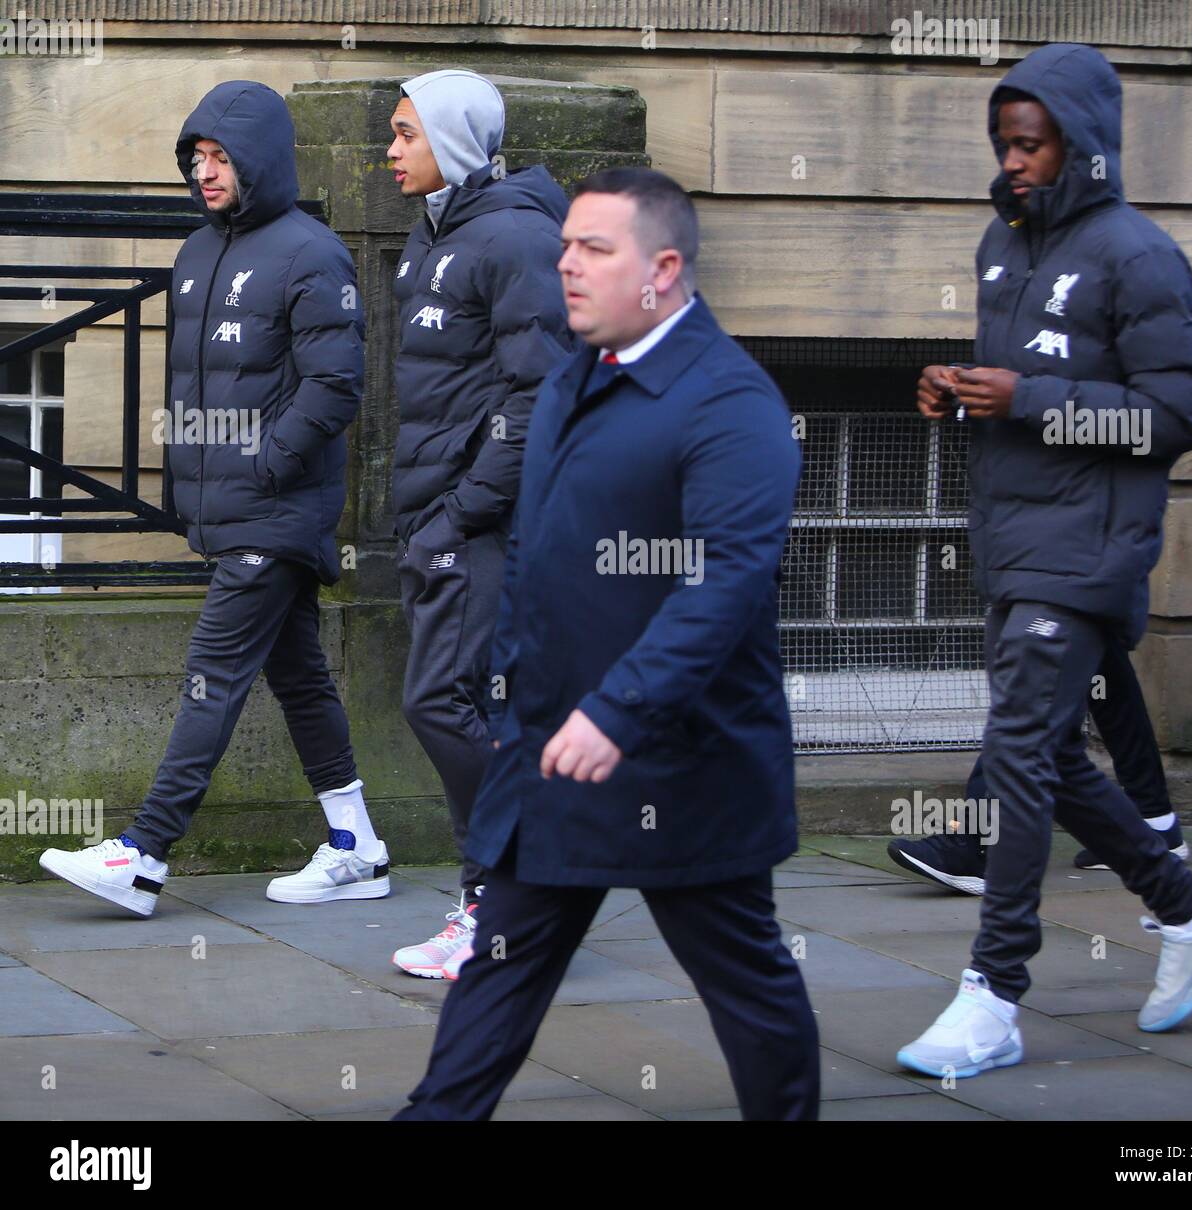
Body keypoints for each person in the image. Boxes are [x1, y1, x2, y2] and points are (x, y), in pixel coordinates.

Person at [393, 167, 820, 1121]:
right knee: (495, 976)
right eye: (566, 245)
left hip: (685, 767)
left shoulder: (730, 403)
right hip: (550, 760)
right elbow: (541, 561)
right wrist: (514, 703)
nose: (568, 266)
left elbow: (725, 584)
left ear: (663, 269)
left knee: (746, 982)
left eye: (595, 249)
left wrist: (618, 711)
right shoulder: (573, 377)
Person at [897, 44, 1192, 1080]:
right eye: (1003, 144)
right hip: (1013, 535)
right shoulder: (1001, 242)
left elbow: (1180, 413)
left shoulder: (1138, 255)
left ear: (1081, 141)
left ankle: (992, 994)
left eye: (1031, 143)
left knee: (1013, 752)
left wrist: (1027, 401)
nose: (1013, 163)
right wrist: (958, 388)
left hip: (1088, 546)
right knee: (1043, 756)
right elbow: (1023, 380)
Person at [39, 81, 377, 915]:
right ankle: (357, 844)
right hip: (225, 510)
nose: (205, 169)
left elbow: (336, 386)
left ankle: (146, 855)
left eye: (221, 156)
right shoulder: (196, 252)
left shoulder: (313, 253)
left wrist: (266, 465)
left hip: (276, 507)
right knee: (299, 678)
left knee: (212, 673)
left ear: (259, 158)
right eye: (197, 155)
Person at [383, 69, 572, 979]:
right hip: (441, 516)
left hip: (481, 521)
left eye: (406, 134)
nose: (390, 150)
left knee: (439, 701)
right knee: (460, 702)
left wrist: (459, 514)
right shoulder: (436, 235)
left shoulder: (514, 237)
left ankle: (507, 899)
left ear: (453, 142)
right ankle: (505, 898)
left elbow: (538, 396)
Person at [889, 633, 1188, 895]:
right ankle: (1155, 822)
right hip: (1076, 578)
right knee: (1100, 661)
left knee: (1032, 706)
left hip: (1059, 579)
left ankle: (977, 842)